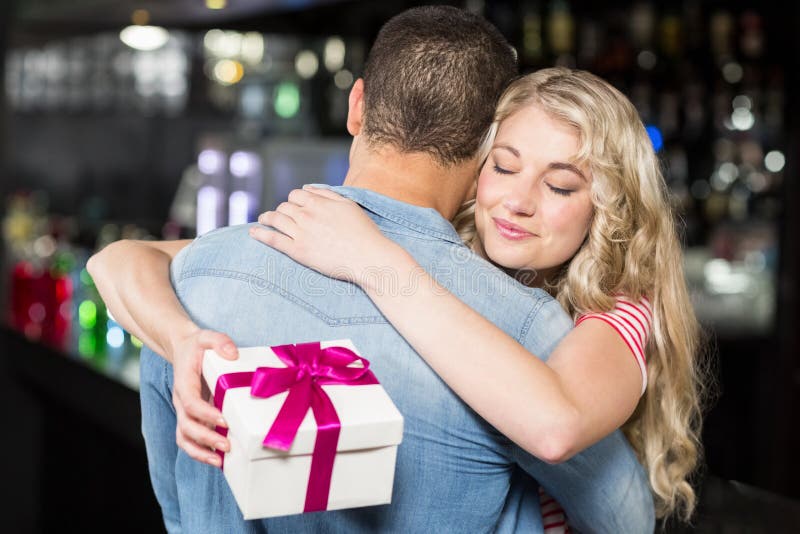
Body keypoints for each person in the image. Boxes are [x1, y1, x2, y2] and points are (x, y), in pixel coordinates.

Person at [88, 7, 654, 534]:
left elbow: (176, 503)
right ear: (486, 147)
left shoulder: (187, 285)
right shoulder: (525, 328)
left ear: (357, 105)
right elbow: (624, 517)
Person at [249, 67, 708, 527]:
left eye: (560, 185)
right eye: (505, 166)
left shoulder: (621, 306)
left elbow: (555, 427)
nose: (519, 200)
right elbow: (181, 261)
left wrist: (373, 261)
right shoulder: (448, 253)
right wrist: (183, 337)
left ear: (609, 208)